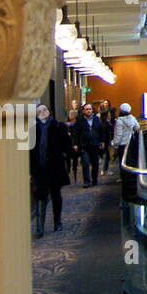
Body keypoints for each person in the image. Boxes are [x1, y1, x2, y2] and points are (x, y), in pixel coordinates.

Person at [30, 104, 72, 237]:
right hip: (40, 168)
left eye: (45, 110)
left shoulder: (58, 126)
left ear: (49, 111)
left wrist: (67, 156)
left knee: (55, 195)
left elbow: (66, 145)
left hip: (55, 167)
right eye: (39, 111)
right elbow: (29, 151)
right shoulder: (32, 129)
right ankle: (39, 227)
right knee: (40, 197)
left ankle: (57, 221)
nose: (43, 112)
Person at [72, 102, 104, 187]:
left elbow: (100, 130)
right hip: (84, 146)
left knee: (95, 164)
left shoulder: (96, 119)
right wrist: (75, 144)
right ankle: (86, 181)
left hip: (95, 145)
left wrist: (102, 141)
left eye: (90, 109)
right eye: (87, 109)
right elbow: (75, 133)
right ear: (83, 111)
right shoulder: (79, 121)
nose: (89, 111)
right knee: (85, 163)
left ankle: (94, 179)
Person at [111, 102, 139, 167]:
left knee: (122, 162)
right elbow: (137, 127)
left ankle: (124, 175)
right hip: (131, 142)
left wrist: (115, 144)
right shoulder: (132, 118)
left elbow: (118, 135)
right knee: (130, 161)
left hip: (122, 145)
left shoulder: (119, 121)